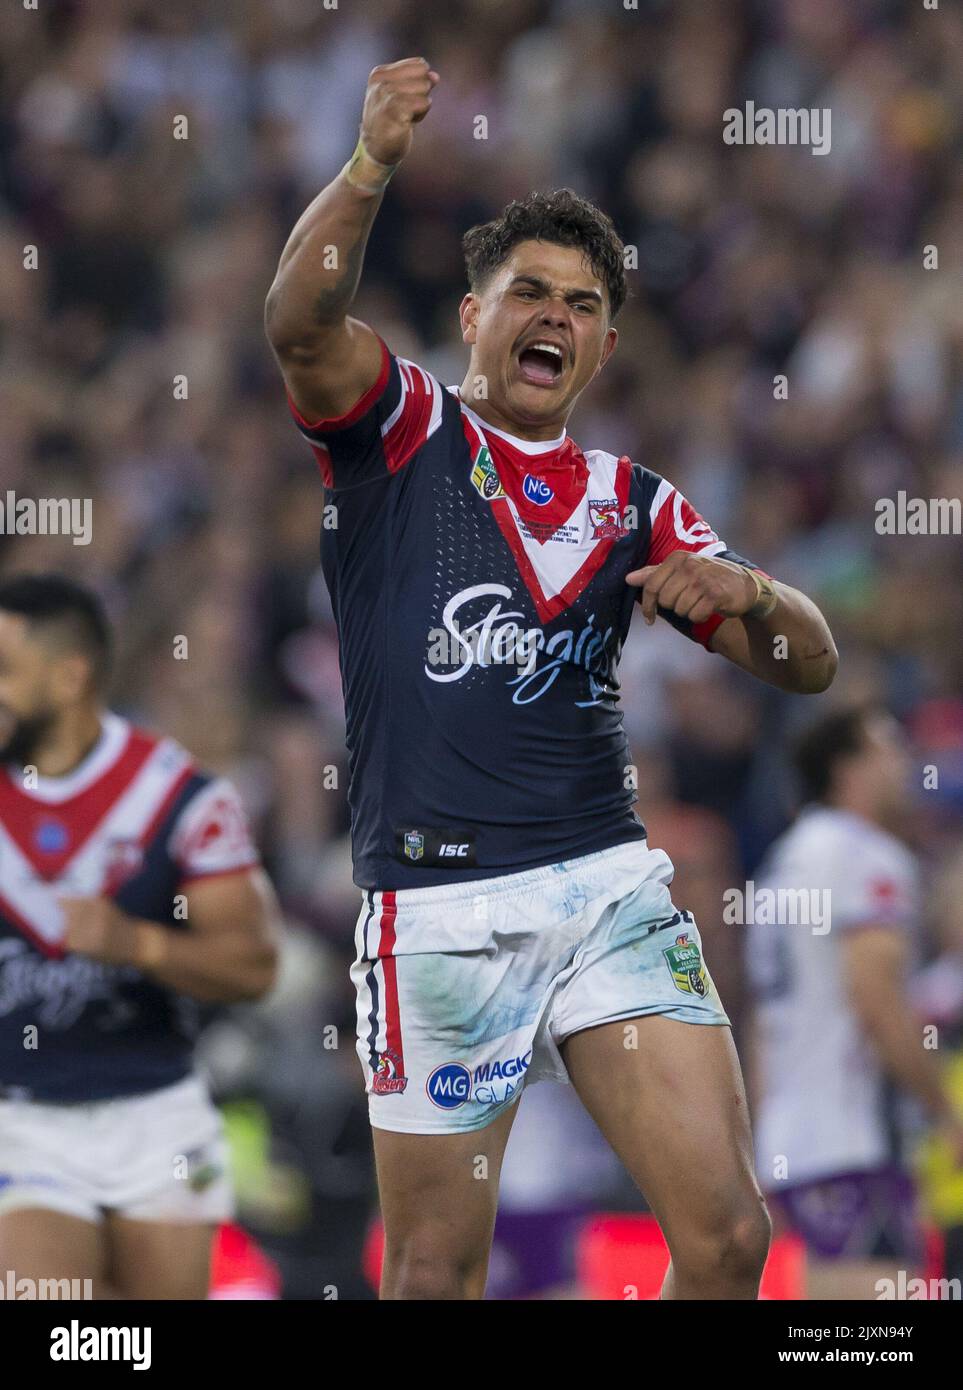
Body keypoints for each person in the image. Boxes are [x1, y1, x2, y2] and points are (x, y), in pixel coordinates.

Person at [265, 56, 837, 1301]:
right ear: (473, 317)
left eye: (582, 303)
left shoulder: (638, 502)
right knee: (430, 1272)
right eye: (529, 290)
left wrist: (751, 594)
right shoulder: (401, 431)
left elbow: (809, 665)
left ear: (605, 343)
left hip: (602, 886)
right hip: (438, 907)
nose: (556, 317)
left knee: (733, 1239)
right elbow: (300, 328)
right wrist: (370, 166)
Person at [0, 574, 280, 1299]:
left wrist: (138, 944)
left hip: (157, 1112)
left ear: (69, 677)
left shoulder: (177, 798)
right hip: (21, 1113)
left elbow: (253, 968)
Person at [747, 705, 963, 1299]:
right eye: (888, 749)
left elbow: (765, 1025)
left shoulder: (781, 863)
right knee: (875, 1328)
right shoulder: (864, 857)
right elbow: (877, 999)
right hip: (853, 1134)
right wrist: (945, 1113)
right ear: (849, 769)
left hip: (796, 1136)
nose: (905, 764)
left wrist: (763, 1137)